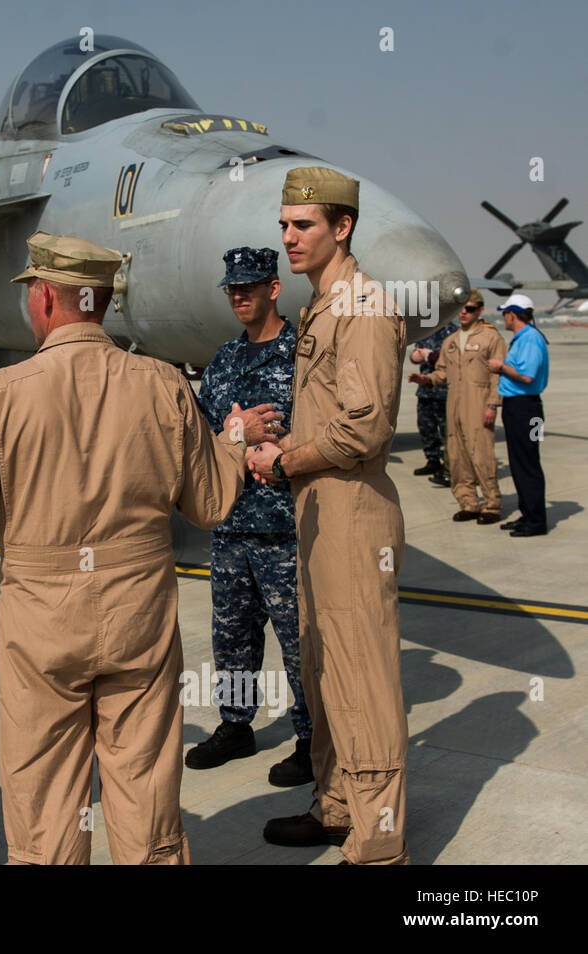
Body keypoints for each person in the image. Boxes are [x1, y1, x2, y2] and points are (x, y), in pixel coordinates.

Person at [0, 231, 281, 864]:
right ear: (100, 302)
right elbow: (208, 505)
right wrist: (233, 444)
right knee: (147, 794)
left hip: (42, 625)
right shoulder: (163, 384)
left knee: (45, 808)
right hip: (139, 616)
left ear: (44, 297)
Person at [246, 167, 410, 864]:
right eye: (284, 224)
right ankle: (338, 805)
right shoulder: (322, 305)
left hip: (351, 516)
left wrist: (284, 460)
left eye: (303, 225)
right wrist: (286, 444)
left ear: (342, 228)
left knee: (362, 682)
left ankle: (379, 844)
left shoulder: (364, 308)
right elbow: (332, 417)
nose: (288, 237)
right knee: (323, 672)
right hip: (319, 513)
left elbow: (364, 430)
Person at [185, 246, 312, 787]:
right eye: (232, 288)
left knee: (299, 640)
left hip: (286, 527)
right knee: (232, 638)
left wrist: (278, 450)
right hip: (232, 526)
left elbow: (319, 430)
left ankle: (313, 737)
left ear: (274, 288)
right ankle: (237, 725)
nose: (239, 295)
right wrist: (238, 435)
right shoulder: (222, 363)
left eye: (250, 286)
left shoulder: (303, 356)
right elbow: (201, 441)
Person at [408, 290, 505, 523]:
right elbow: (442, 372)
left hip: (478, 403)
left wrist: (493, 405)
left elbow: (497, 377)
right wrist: (427, 380)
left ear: (480, 310)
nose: (463, 312)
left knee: (482, 457)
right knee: (458, 457)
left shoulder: (491, 338)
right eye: (461, 308)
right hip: (454, 405)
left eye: (469, 308)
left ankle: (491, 505)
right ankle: (468, 503)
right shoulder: (450, 342)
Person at [489, 294, 550, 536]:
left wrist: (500, 367)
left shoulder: (530, 339)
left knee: (528, 464)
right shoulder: (523, 338)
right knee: (520, 463)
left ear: (512, 314)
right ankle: (528, 514)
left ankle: (536, 521)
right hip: (520, 407)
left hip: (526, 408)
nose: (504, 318)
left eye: (505, 313)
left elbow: (527, 376)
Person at [407, 314, 459, 486]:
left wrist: (430, 356)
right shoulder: (426, 330)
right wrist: (415, 356)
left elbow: (453, 361)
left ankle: (451, 466)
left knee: (448, 431)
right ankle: (433, 460)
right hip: (425, 389)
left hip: (444, 390)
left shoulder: (453, 332)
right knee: (426, 426)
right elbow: (415, 354)